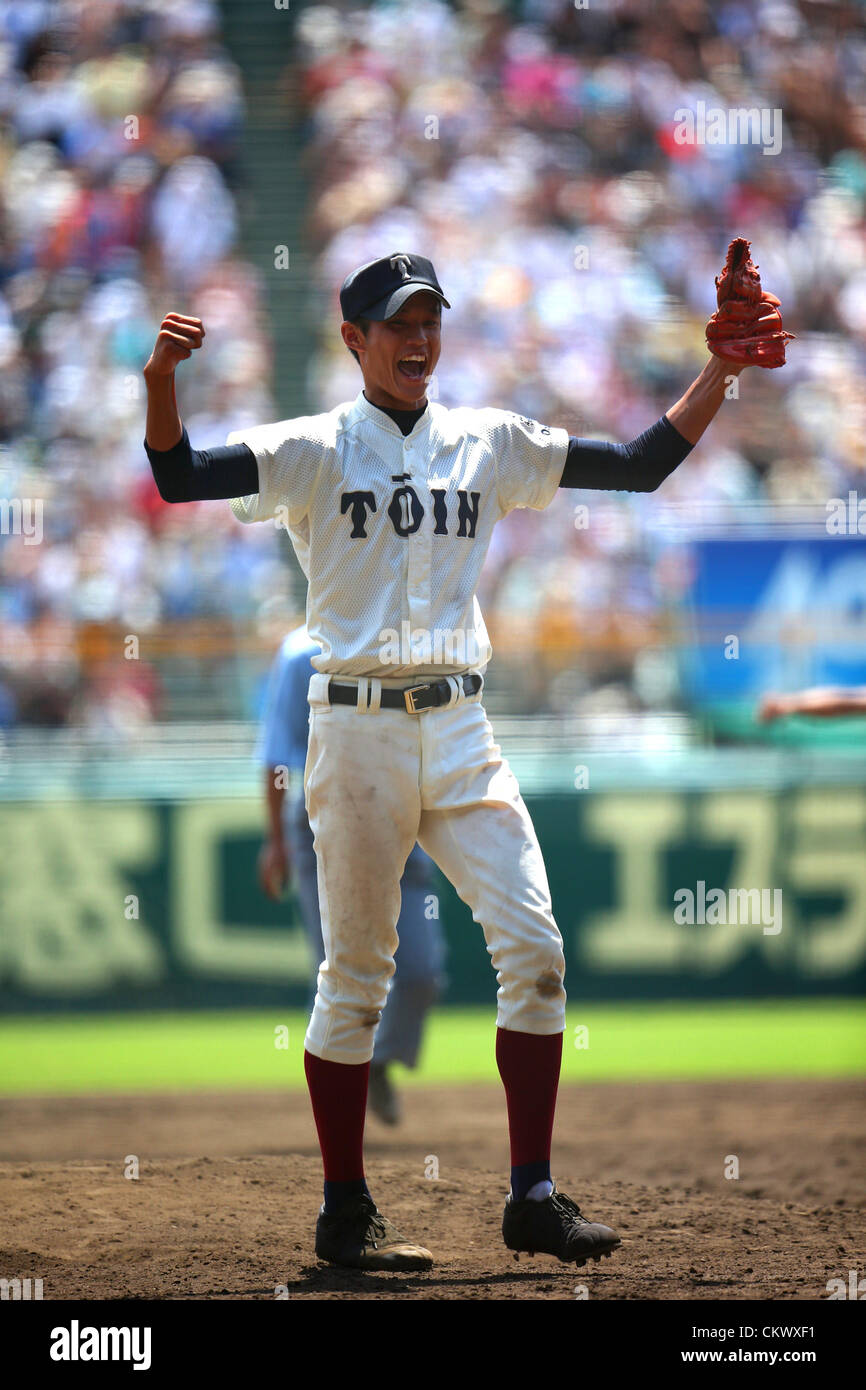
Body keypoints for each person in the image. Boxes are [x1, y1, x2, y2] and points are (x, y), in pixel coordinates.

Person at [143, 250, 766, 1274]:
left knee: (535, 947)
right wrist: (162, 385)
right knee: (356, 981)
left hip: (463, 728)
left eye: (430, 321)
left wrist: (722, 371)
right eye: (397, 324)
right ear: (353, 340)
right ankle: (345, 1213)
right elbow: (177, 476)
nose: (419, 341)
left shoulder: (485, 440)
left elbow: (640, 464)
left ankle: (531, 1194)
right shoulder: (312, 446)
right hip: (354, 729)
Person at [257, 622, 445, 1125]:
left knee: (422, 970)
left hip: (400, 806)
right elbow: (277, 755)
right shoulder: (301, 653)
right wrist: (275, 841)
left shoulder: (399, 638)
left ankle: (377, 1064)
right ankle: (339, 1113)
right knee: (340, 976)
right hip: (323, 815)